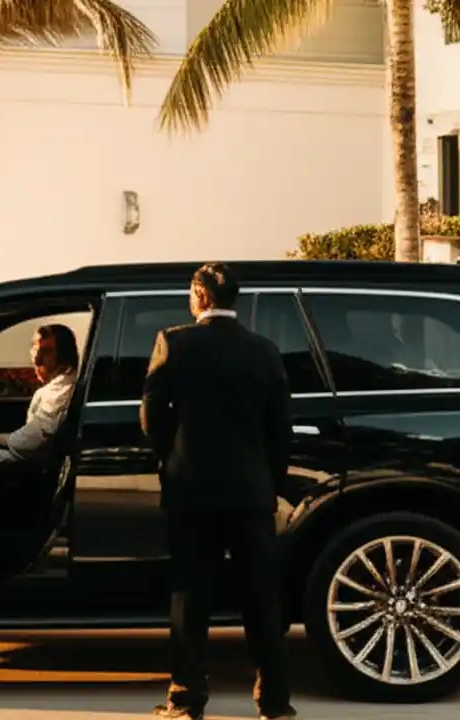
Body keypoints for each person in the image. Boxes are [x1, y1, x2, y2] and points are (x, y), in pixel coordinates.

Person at [140, 263, 296, 720]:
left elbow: (151, 417)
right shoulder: (264, 351)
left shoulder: (175, 342)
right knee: (261, 597)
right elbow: (280, 430)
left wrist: (171, 459)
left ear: (200, 296)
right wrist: (268, 478)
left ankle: (186, 699)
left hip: (192, 491)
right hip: (250, 493)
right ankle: (274, 701)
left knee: (191, 596)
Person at [0, 323, 79, 465]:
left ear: (65, 355)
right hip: (34, 456)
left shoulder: (59, 390)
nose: (36, 359)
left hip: (37, 464)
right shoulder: (57, 384)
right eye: (35, 348)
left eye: (46, 351)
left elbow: (30, 443)